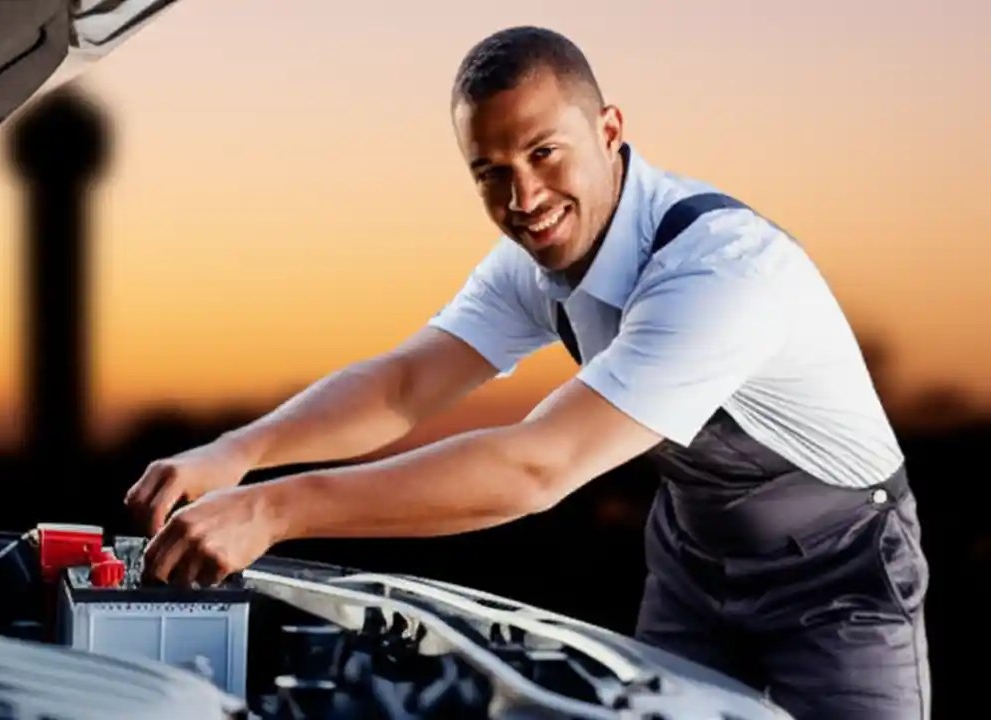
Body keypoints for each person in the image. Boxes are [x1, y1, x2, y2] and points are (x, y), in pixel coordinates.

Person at [125, 25, 929, 719]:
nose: (524, 197)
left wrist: (274, 510)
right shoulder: (536, 255)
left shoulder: (721, 273)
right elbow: (404, 385)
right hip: (694, 559)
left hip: (839, 580)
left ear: (610, 129)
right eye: (491, 172)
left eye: (545, 153)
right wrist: (239, 453)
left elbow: (537, 467)